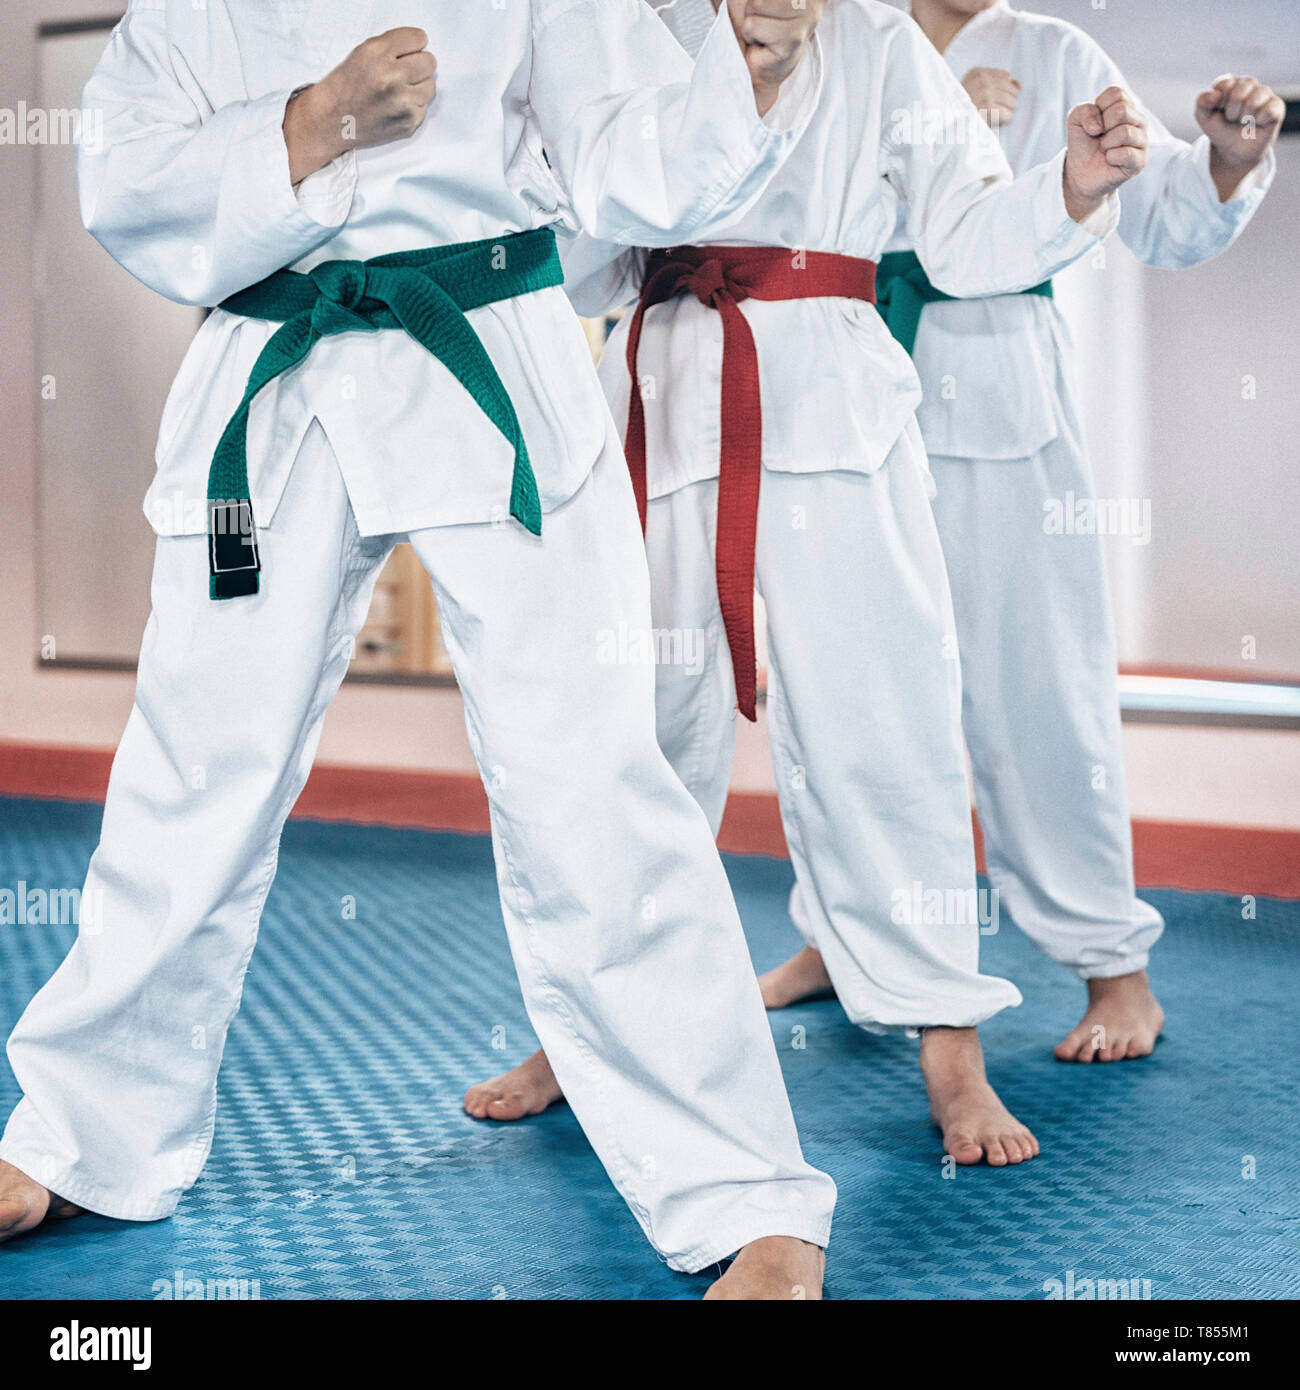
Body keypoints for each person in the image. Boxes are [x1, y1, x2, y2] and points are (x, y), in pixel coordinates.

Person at [0, 0, 843, 1300]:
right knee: (190, 767)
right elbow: (124, 171)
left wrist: (744, 65)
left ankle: (740, 1185)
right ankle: (80, 1135)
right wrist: (310, 124)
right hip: (267, 372)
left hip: (489, 352)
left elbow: (626, 152)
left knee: (587, 776)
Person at [465, 0, 1149, 1166]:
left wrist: (1071, 185)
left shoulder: (875, 43)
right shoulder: (616, 32)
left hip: (831, 394)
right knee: (627, 736)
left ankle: (949, 1043)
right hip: (662, 394)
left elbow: (966, 235)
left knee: (887, 725)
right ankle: (590, 1030)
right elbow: (579, 264)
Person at [767, 0, 1283, 1064]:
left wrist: (1226, 161)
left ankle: (1113, 970)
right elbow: (762, 184)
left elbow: (1160, 214)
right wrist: (930, 124)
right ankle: (843, 933)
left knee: (1040, 689)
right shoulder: (833, 32)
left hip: (998, 390)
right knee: (844, 691)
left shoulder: (1051, 51)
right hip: (843, 384)